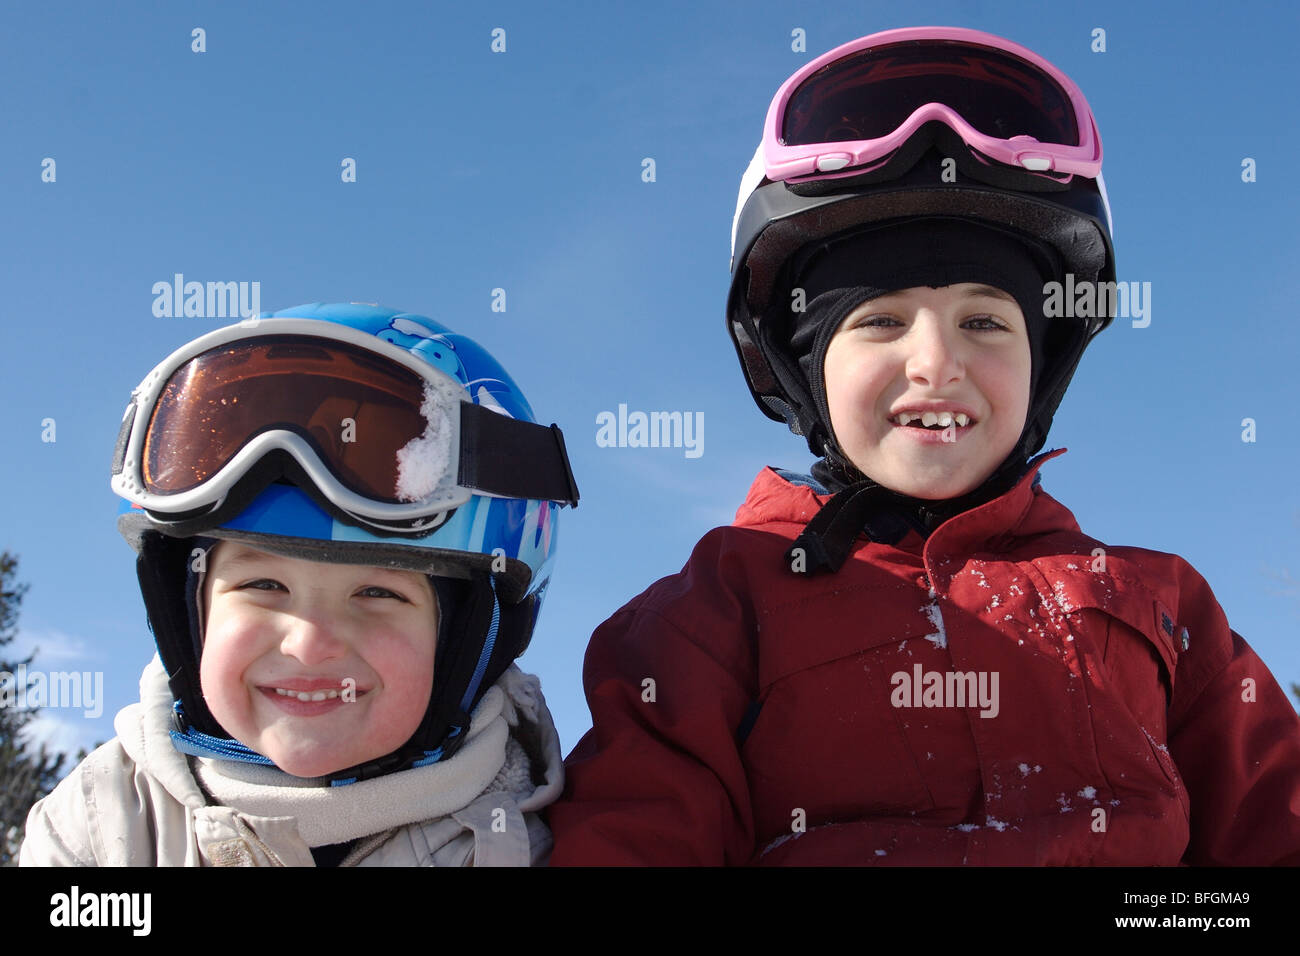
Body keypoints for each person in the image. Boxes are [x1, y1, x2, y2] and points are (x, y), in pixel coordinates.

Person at [546, 26, 1300, 865]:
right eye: (880, 322)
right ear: (804, 372)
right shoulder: (711, 612)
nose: (937, 362)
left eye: (984, 321)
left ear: (1043, 367)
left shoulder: (1163, 606)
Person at [21, 302, 580, 866]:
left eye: (378, 593)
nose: (308, 643)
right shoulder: (102, 826)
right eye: (263, 584)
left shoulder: (546, 844)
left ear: (470, 636)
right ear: (188, 615)